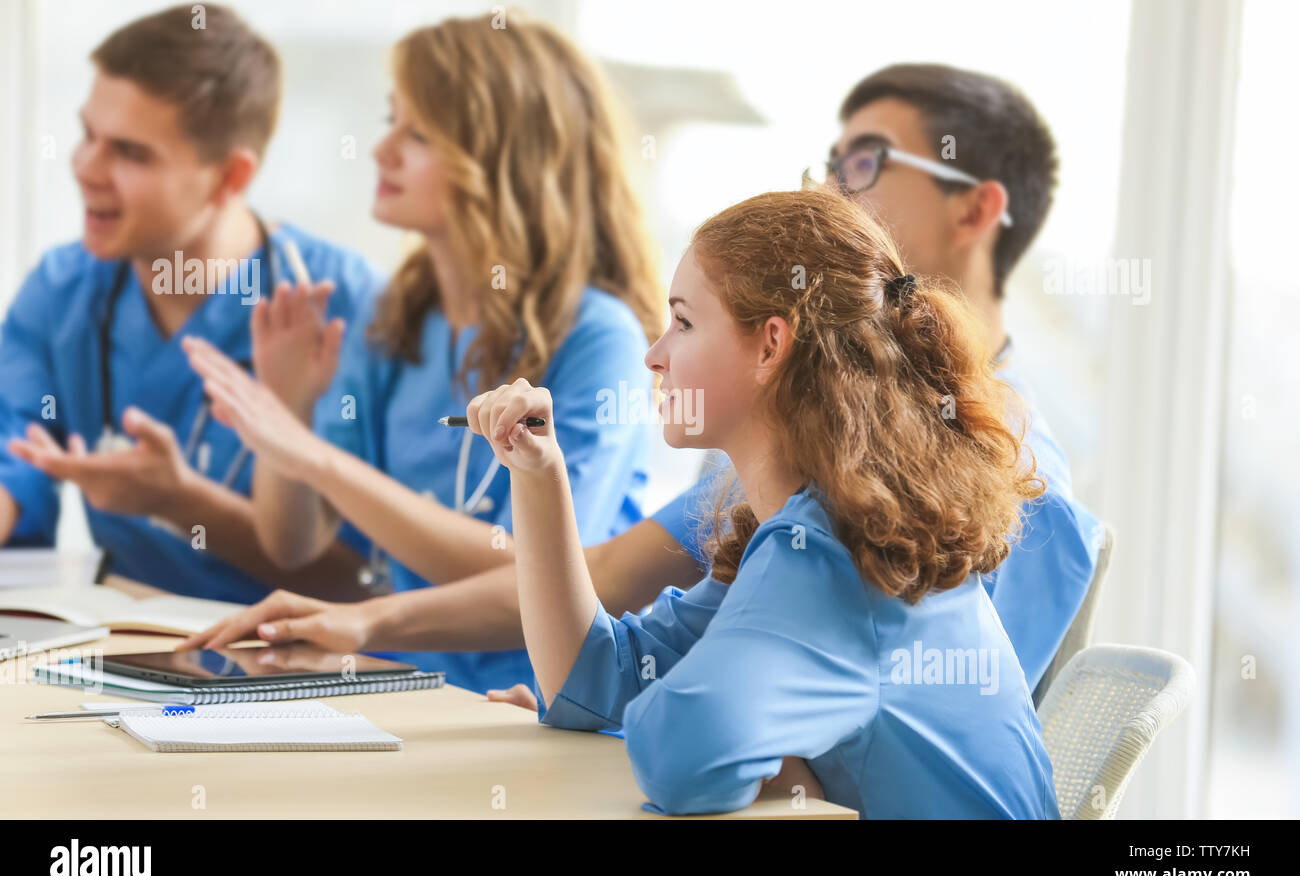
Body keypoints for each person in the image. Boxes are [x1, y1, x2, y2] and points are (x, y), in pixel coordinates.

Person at [184, 63, 1100, 702]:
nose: (828, 185)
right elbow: (608, 584)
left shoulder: (1022, 487)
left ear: (978, 206)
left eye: (862, 161)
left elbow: (922, 744)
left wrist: (636, 721)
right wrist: (364, 623)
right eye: (827, 160)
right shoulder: (789, 441)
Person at [462, 189, 1060, 817]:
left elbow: (679, 760)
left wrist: (770, 758)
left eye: (685, 323)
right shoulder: (812, 530)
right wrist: (537, 474)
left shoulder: (829, 550)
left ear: (771, 347)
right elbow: (592, 681)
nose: (654, 355)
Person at [181, 13, 662, 694]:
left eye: (418, 134)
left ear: (503, 159)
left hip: (552, 707)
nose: (381, 151)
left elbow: (541, 568)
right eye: (390, 122)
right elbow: (294, 543)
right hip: (419, 698)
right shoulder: (394, 321)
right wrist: (287, 409)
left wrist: (315, 455)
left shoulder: (599, 338)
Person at [0, 4, 381, 603]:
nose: (84, 168)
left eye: (129, 152)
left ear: (230, 177)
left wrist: (179, 501)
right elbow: (15, 459)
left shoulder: (350, 312)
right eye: (87, 135)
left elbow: (369, 581)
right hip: (132, 651)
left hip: (316, 670)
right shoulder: (60, 292)